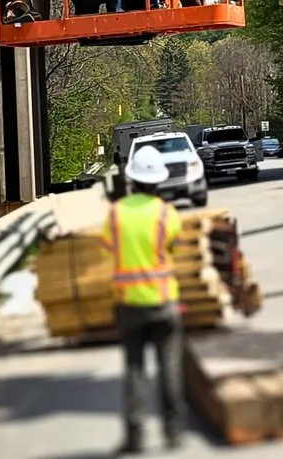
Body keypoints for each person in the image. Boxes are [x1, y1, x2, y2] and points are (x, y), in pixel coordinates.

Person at [103, 143, 186, 452]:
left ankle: (135, 436)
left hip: (129, 306)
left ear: (132, 179)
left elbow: (108, 247)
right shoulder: (166, 214)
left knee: (135, 370)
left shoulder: (116, 214)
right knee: (169, 369)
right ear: (158, 181)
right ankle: (173, 433)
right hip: (163, 303)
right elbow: (175, 247)